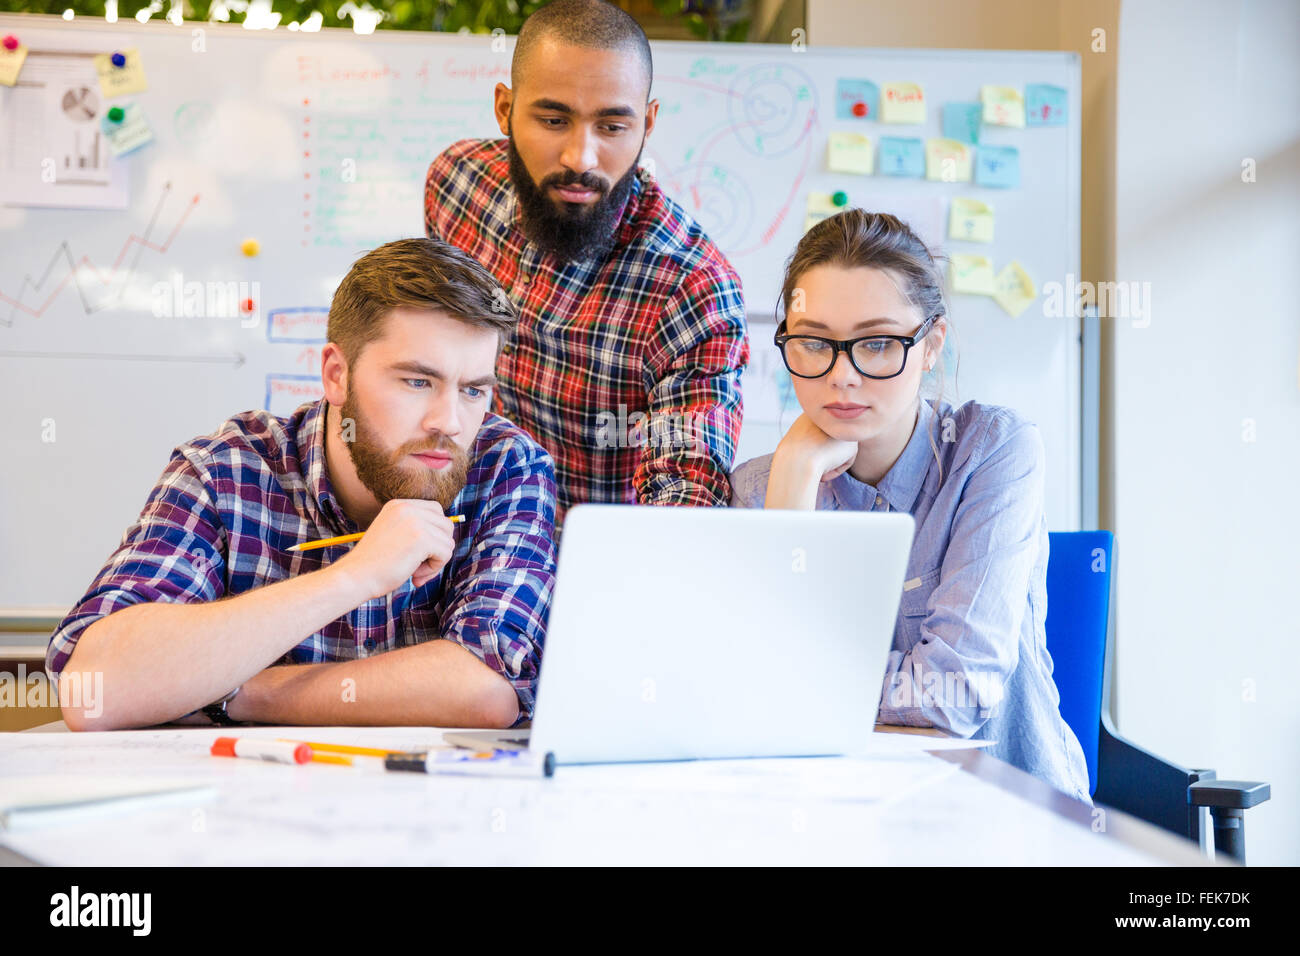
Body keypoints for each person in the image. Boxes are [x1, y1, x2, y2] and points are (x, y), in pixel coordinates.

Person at [48, 238, 557, 732]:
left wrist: (233, 691)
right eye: (417, 381)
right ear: (336, 374)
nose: (448, 421)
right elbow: (95, 689)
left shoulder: (507, 468)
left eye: (472, 390)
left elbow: (486, 690)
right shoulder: (226, 469)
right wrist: (355, 576)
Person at [731, 209, 1091, 802]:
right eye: (815, 342)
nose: (842, 376)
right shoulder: (758, 488)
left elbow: (954, 694)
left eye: (877, 344)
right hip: (834, 816)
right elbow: (754, 698)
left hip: (1007, 819)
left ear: (931, 347)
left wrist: (805, 681)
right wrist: (794, 480)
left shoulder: (994, 452)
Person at [424, 0, 749, 524]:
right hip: (460, 517)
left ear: (648, 122)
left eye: (613, 127)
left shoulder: (693, 287)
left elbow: (687, 481)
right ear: (504, 109)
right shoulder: (457, 184)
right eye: (553, 120)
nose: (581, 158)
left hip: (591, 563)